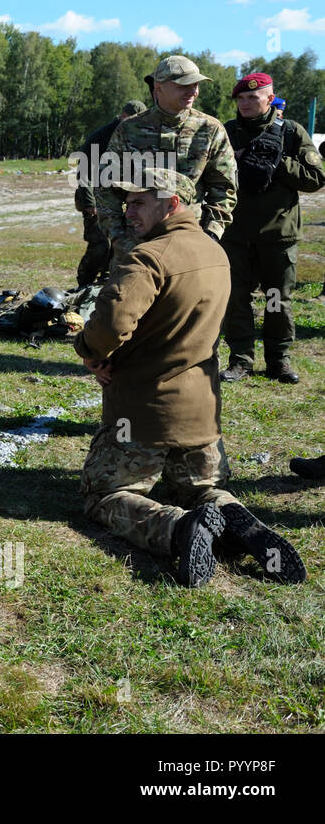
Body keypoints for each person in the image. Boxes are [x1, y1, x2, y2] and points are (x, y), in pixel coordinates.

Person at [75, 168, 304, 588]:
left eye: (140, 202)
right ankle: (235, 516)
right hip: (202, 419)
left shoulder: (148, 257)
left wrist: (90, 351)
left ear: (172, 204)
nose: (129, 211)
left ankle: (177, 530)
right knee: (202, 490)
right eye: (128, 202)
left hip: (142, 417)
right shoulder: (216, 253)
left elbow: (109, 325)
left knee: (104, 495)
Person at [218, 72, 325, 385]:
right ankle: (240, 360)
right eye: (241, 98)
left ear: (270, 97)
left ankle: (279, 361)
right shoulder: (228, 132)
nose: (246, 103)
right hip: (236, 234)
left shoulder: (290, 131)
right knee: (236, 299)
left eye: (253, 97)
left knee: (278, 298)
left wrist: (276, 161)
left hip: (278, 234)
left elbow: (315, 178)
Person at [96, 55, 238, 262]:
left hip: (190, 241)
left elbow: (224, 189)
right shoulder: (129, 128)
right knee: (130, 294)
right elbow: (105, 186)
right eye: (184, 85)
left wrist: (210, 235)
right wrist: (119, 239)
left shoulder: (210, 129)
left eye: (196, 84)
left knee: (186, 295)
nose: (193, 91)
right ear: (159, 87)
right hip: (136, 242)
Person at [74, 100, 146, 286]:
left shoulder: (138, 135)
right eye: (129, 119)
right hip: (96, 198)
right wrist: (90, 202)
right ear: (122, 115)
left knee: (120, 245)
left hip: (124, 199)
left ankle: (106, 281)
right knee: (100, 246)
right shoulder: (101, 136)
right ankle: (84, 281)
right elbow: (84, 169)